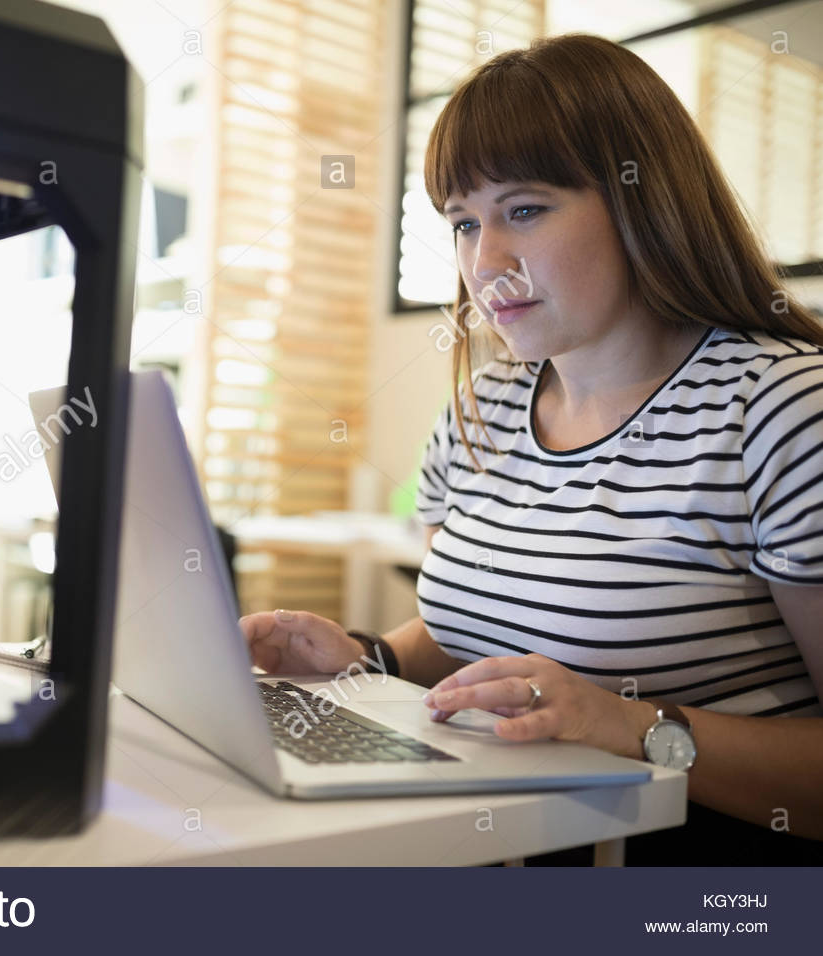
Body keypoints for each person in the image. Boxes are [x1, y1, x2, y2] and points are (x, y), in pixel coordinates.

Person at [239, 33, 823, 865]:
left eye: (524, 209)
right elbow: (479, 635)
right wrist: (365, 659)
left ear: (641, 201)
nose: (487, 263)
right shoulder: (484, 408)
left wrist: (633, 727)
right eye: (464, 223)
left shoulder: (781, 410)